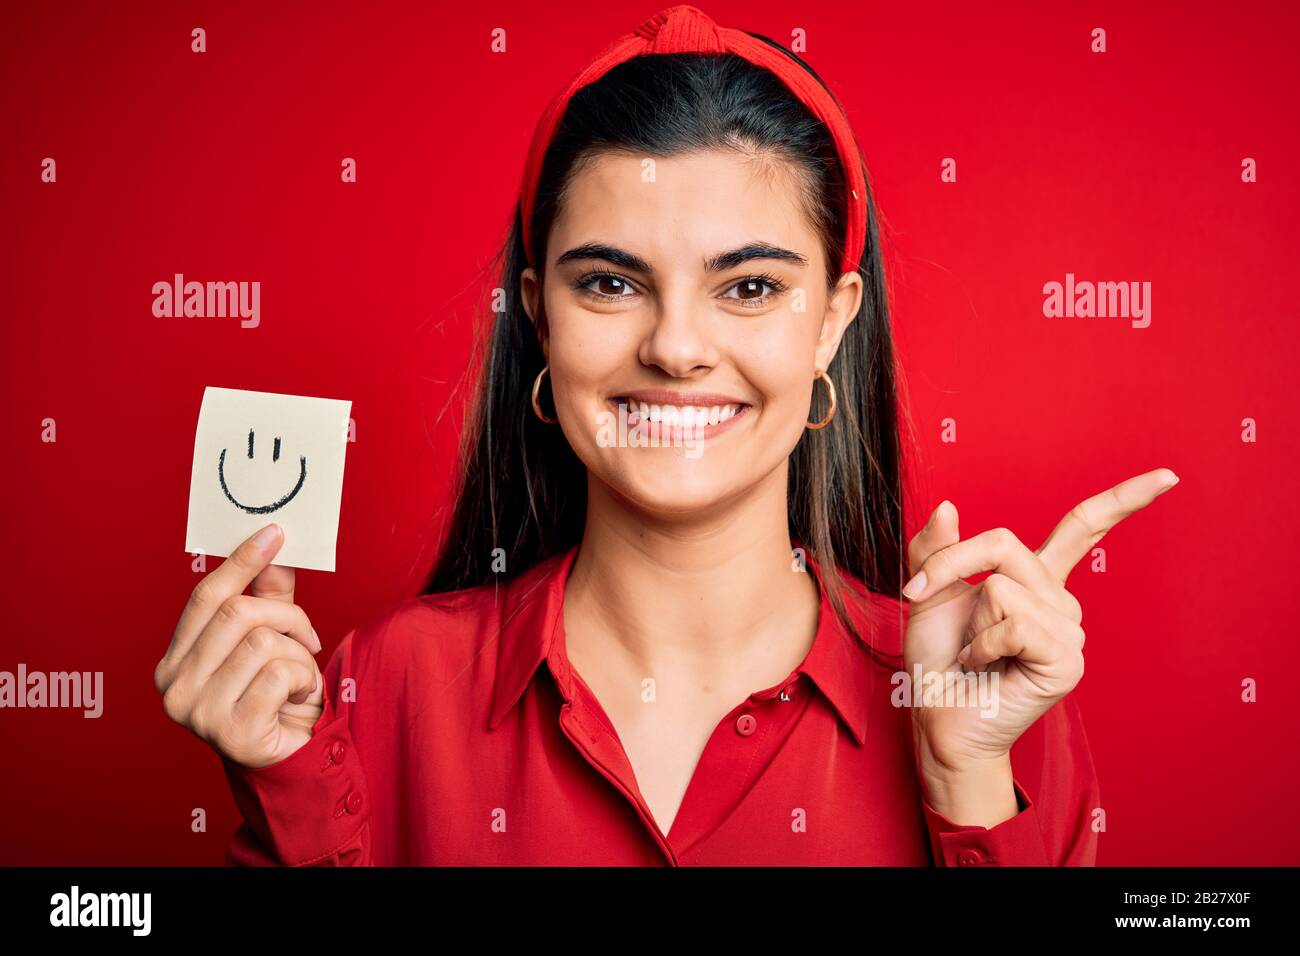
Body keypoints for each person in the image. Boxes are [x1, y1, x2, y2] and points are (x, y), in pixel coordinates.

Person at [154, 4, 1177, 866]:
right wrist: (291, 788)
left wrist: (964, 776)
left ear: (831, 317)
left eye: (749, 286)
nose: (677, 346)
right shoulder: (376, 690)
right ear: (539, 313)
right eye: (609, 282)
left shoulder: (985, 693)